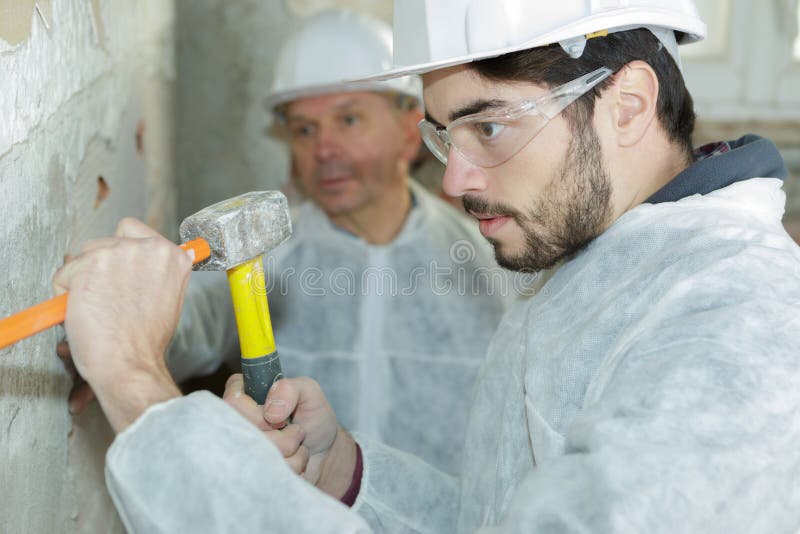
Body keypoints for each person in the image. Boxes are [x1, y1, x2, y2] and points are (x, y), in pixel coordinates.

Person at [56, 1, 800, 532]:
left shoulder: (738, 329)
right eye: (448, 135)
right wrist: (347, 475)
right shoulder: (590, 270)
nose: (454, 181)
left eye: (490, 126)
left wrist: (135, 383)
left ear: (628, 105)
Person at [63, 8, 510, 477]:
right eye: (304, 129)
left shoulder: (490, 260)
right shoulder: (262, 255)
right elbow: (188, 315)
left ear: (408, 130)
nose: (323, 149)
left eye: (348, 119)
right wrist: (119, 329)